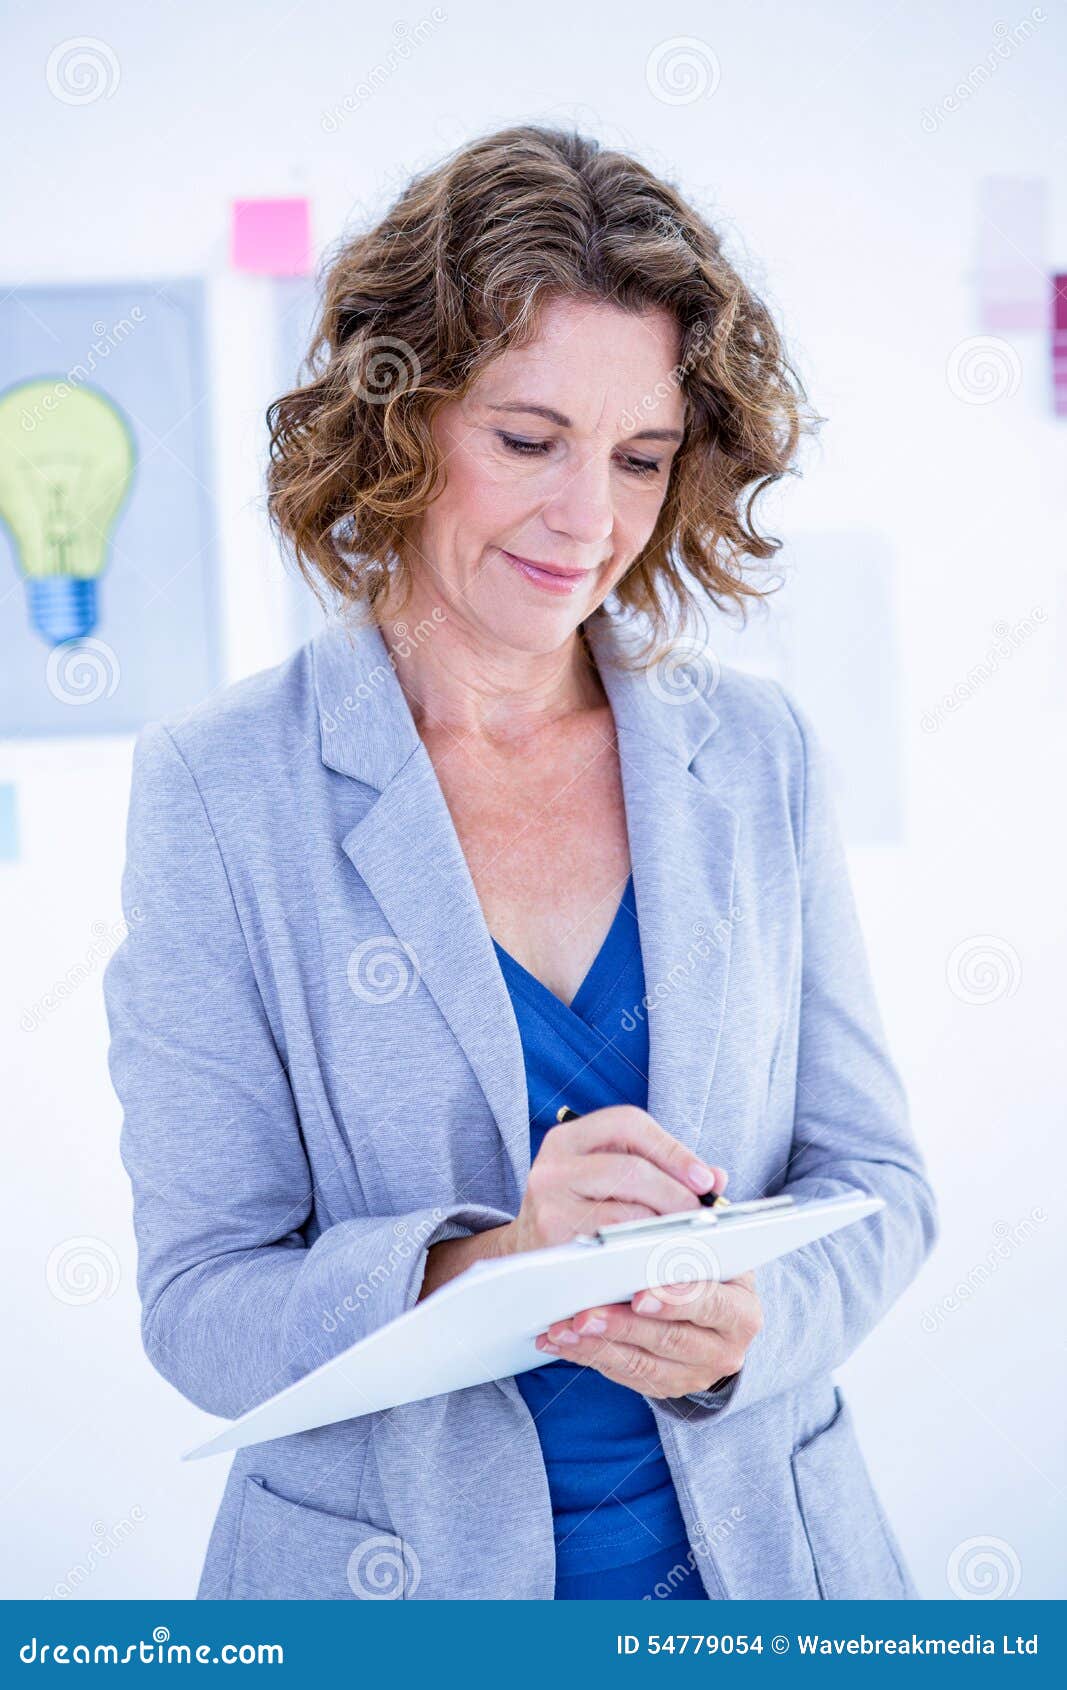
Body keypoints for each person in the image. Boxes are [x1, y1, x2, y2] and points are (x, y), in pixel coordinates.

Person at [102, 123, 937, 1602]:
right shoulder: (220, 793)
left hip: (764, 1584)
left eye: (640, 458)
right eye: (528, 440)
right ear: (403, 422)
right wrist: (496, 1264)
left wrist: (754, 1327)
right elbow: (201, 1306)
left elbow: (880, 1185)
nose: (588, 521)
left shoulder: (759, 755)